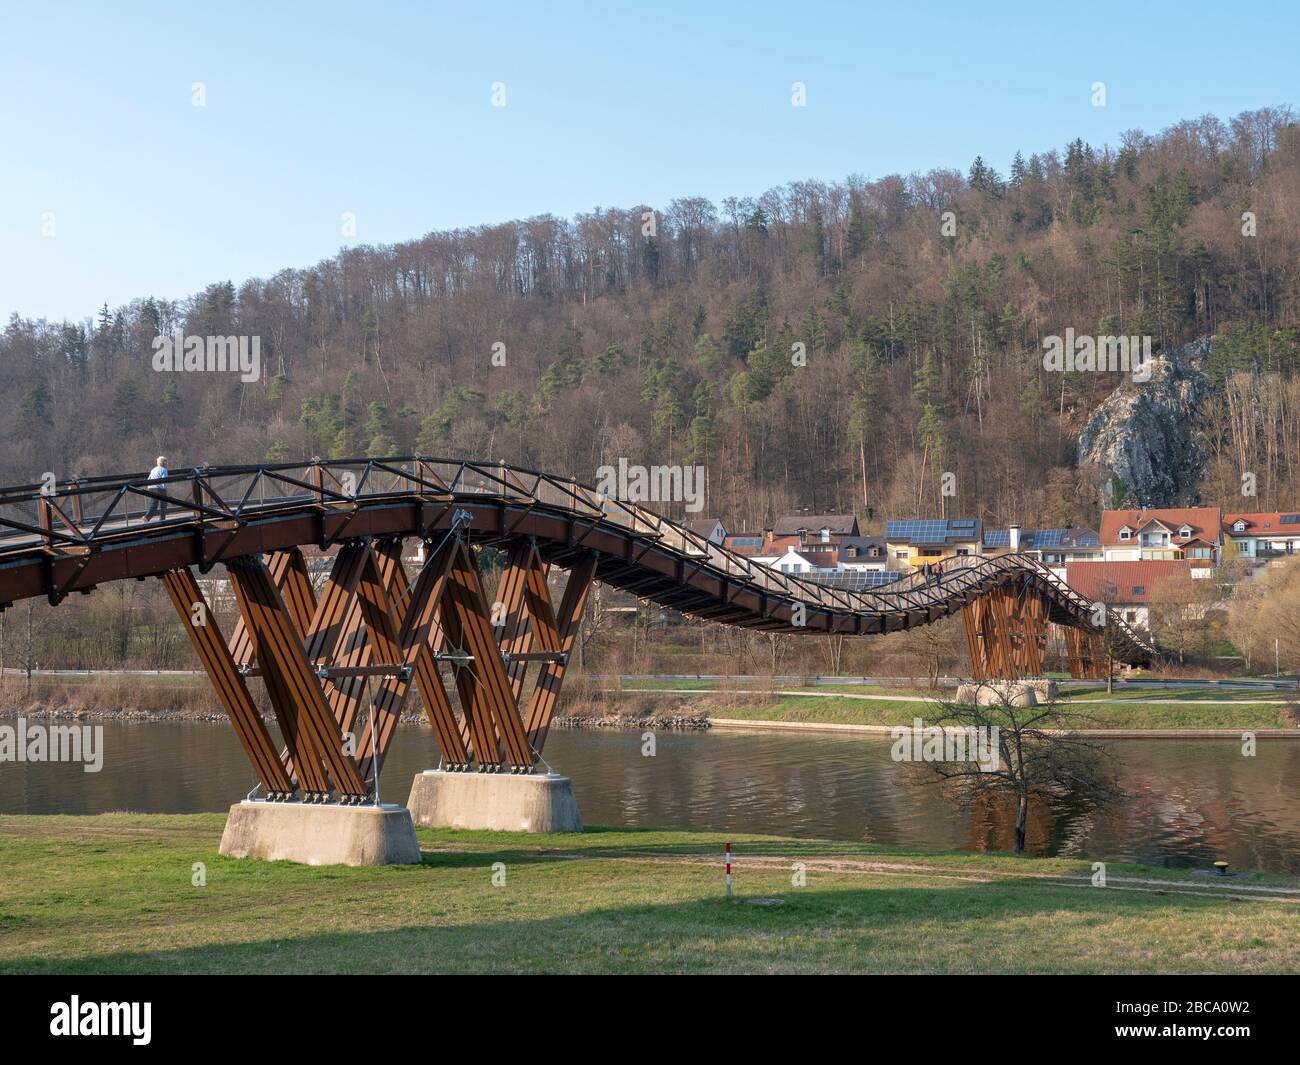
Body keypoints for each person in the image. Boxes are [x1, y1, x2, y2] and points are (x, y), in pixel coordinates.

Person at [144, 455, 169, 521]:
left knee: (154, 504)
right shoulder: (164, 470)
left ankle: (147, 517)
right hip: (159, 488)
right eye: (165, 462)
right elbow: (164, 480)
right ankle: (162, 519)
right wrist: (166, 490)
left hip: (151, 487)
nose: (166, 463)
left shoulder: (153, 469)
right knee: (163, 504)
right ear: (163, 462)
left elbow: (149, 479)